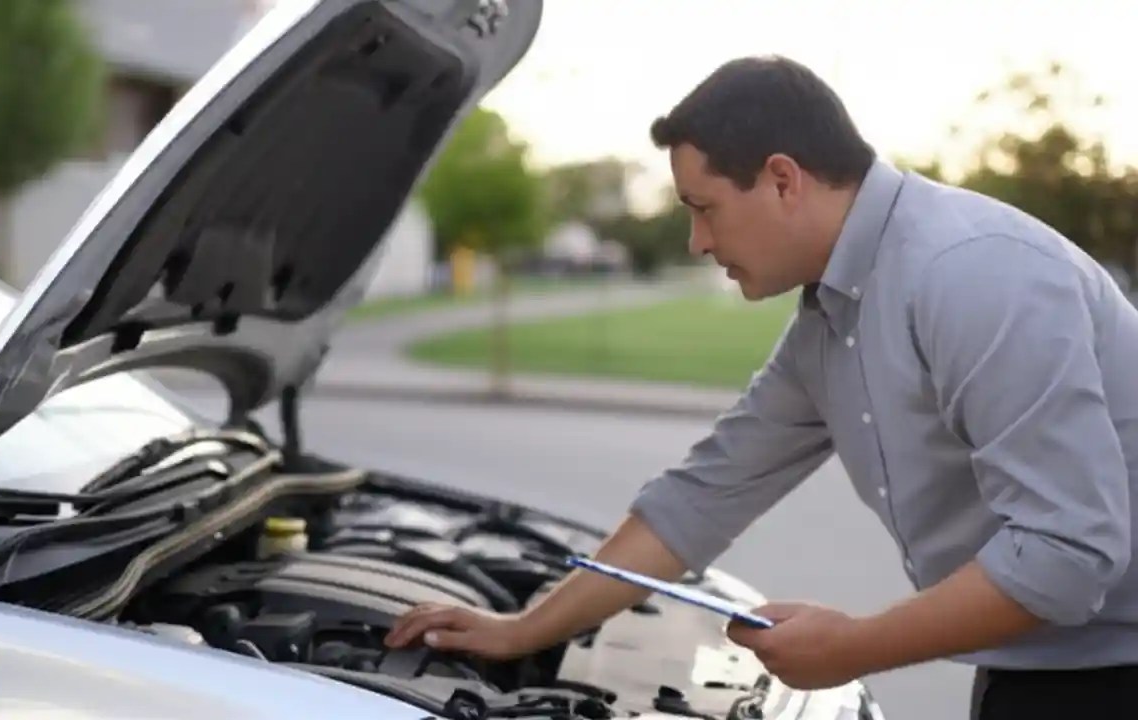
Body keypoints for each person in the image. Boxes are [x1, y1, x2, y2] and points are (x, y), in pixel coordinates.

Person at [385, 55, 1138, 719]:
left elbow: (1066, 556)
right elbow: (698, 498)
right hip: (1042, 666)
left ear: (782, 179)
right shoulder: (831, 320)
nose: (697, 242)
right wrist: (524, 628)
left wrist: (854, 646)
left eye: (702, 208)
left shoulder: (970, 273)